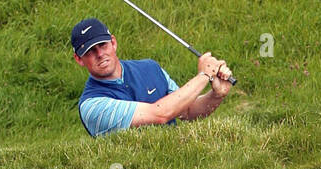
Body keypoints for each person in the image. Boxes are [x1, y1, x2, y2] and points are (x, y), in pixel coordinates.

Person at [71, 17, 233, 137]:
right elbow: (160, 115)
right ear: (79, 59)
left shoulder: (150, 67)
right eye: (90, 51)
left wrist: (216, 95)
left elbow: (188, 111)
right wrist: (204, 75)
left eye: (103, 45)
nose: (100, 54)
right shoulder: (92, 105)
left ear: (113, 43)